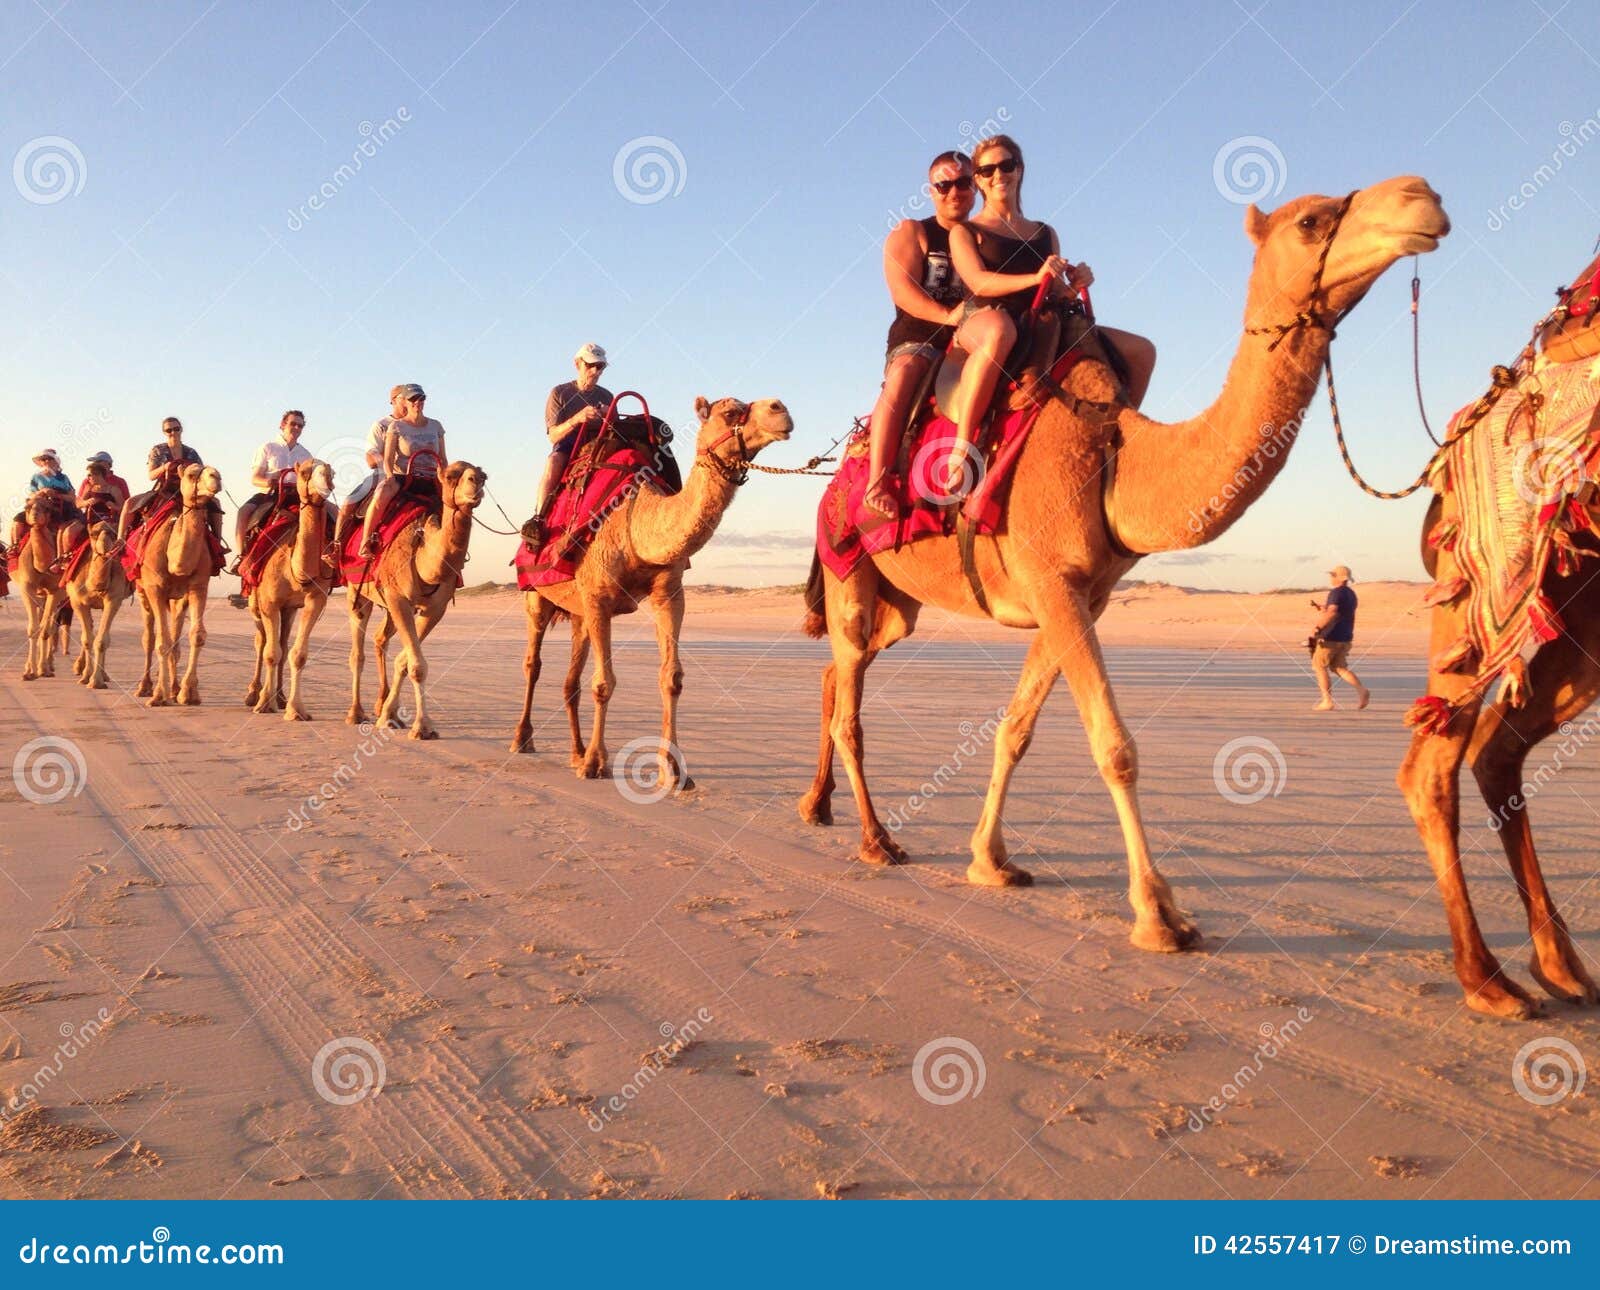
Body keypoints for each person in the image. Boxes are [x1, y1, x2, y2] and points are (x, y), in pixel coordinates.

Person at [944, 135, 1156, 493]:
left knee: (1142, 350)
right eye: (988, 169)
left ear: (1020, 170)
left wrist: (1073, 284)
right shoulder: (966, 232)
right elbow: (978, 283)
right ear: (978, 179)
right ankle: (962, 449)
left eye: (1007, 165)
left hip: (1040, 319)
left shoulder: (1044, 233)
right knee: (999, 332)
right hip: (984, 317)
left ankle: (1122, 437)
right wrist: (1035, 277)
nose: (999, 175)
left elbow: (1052, 291)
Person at [862, 151, 974, 520]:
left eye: (963, 183)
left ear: (975, 187)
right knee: (906, 372)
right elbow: (904, 291)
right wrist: (949, 316)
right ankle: (878, 479)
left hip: (971, 343)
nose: (954, 191)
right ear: (931, 190)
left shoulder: (985, 239)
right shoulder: (913, 231)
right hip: (919, 340)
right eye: (944, 184)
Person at [527, 343, 614, 542]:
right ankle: (539, 519)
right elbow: (553, 436)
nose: (595, 371)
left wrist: (609, 417)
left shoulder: (607, 396)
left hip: (599, 444)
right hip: (569, 444)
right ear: (577, 364)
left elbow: (615, 425)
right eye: (590, 365)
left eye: (600, 366)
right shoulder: (560, 393)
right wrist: (577, 419)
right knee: (554, 461)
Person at [360, 384, 447, 554]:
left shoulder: (436, 426)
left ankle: (454, 548)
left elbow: (443, 458)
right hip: (405, 476)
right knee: (381, 493)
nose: (417, 402)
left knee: (460, 500)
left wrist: (446, 477)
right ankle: (366, 540)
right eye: (413, 399)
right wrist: (390, 476)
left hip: (431, 476)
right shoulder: (396, 426)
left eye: (421, 398)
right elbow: (388, 458)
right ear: (404, 402)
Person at [228, 410, 312, 574]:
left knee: (327, 512)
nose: (296, 428)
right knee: (243, 512)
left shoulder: (306, 455)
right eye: (292, 424)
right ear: (282, 425)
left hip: (296, 495)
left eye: (300, 425)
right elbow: (255, 478)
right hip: (270, 493)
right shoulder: (268, 448)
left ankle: (333, 552)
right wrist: (271, 481)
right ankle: (242, 555)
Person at [116, 417, 223, 546]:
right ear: (165, 432)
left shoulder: (191, 453)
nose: (173, 432)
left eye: (176, 429)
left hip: (187, 491)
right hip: (163, 490)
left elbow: (200, 473)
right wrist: (165, 467)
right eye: (169, 430)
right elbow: (151, 475)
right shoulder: (158, 451)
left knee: (215, 503)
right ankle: (120, 541)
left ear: (181, 430)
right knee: (129, 503)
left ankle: (217, 541)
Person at [335, 385, 409, 554]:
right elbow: (370, 457)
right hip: (385, 473)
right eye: (404, 398)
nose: (409, 402)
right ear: (394, 401)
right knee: (348, 504)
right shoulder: (381, 425)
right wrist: (388, 460)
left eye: (411, 398)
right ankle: (337, 547)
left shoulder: (418, 424)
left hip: (414, 473)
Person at [1309, 564, 1369, 711]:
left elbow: (1333, 613)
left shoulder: (1336, 593)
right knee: (1339, 667)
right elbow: (1339, 611)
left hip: (1331, 636)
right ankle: (1361, 690)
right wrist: (1324, 608)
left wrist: (1317, 629)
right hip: (1345, 636)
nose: (1330, 578)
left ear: (1337, 577)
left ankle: (1327, 701)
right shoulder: (1350, 593)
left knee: (1319, 666)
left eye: (1332, 575)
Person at [10, 450, 78, 560]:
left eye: (49, 458)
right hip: (40, 505)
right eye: (43, 459)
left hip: (61, 507)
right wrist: (42, 492)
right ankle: (15, 546)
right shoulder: (37, 477)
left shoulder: (64, 478)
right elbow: (32, 494)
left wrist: (57, 494)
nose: (46, 461)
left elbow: (72, 497)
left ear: (55, 461)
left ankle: (64, 555)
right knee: (17, 520)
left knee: (68, 526)